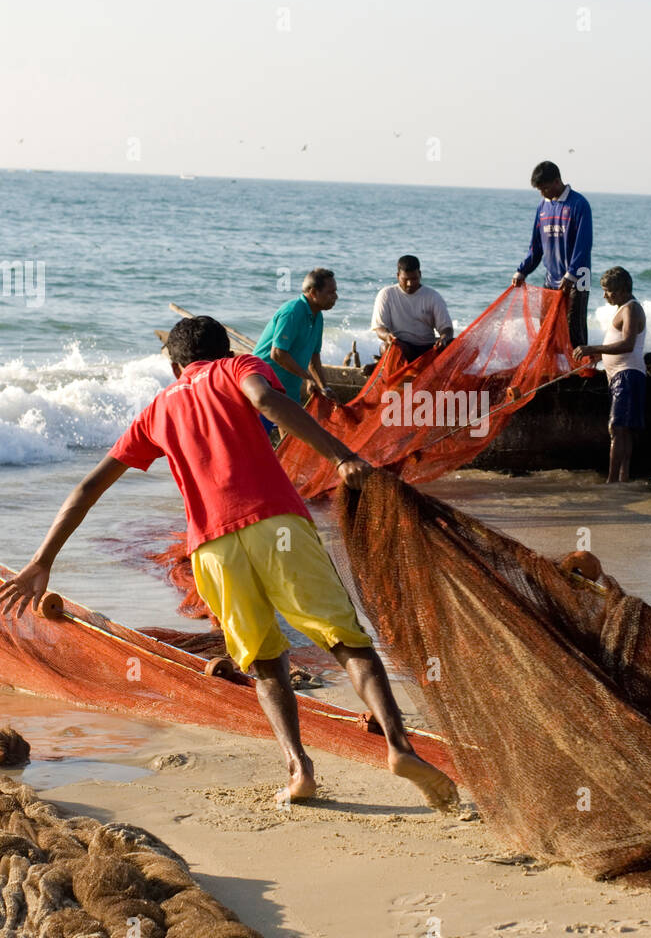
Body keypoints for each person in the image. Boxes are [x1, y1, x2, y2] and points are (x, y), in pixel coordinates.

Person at [0, 316, 458, 812]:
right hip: (275, 525)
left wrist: (41, 561)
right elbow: (266, 400)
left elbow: (88, 488)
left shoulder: (157, 408)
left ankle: (298, 769)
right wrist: (342, 456)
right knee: (346, 640)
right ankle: (398, 746)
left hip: (210, 552)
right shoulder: (238, 365)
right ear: (222, 352)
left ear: (175, 366)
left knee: (264, 663)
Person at [573, 267, 646, 483]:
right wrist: (599, 353)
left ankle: (612, 481)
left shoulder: (631, 309)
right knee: (623, 430)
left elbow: (628, 345)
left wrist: (591, 348)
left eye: (609, 291)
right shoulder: (623, 307)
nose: (605, 295)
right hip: (621, 376)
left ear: (623, 291)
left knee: (617, 428)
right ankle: (622, 479)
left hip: (627, 375)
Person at [511, 160, 593, 347]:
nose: (542, 193)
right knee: (548, 330)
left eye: (545, 188)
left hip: (578, 279)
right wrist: (522, 271)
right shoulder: (542, 207)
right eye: (539, 190)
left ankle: (581, 372)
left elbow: (584, 245)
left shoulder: (579, 205)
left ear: (557, 181)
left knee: (574, 331)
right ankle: (554, 370)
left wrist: (571, 274)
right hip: (551, 279)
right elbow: (536, 246)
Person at [253, 269, 337, 422]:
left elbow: (314, 357)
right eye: (330, 292)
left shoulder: (318, 316)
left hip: (289, 388)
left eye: (335, 292)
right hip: (265, 386)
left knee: (290, 440)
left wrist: (324, 387)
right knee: (260, 438)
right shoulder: (293, 311)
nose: (336, 297)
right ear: (313, 292)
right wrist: (307, 378)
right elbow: (278, 354)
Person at [371, 255, 454, 364]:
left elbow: (447, 329)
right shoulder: (386, 294)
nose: (410, 284)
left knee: (461, 345)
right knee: (387, 347)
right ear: (398, 276)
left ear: (420, 274)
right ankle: (405, 380)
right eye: (405, 280)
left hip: (428, 347)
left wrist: (443, 339)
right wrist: (387, 336)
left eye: (414, 279)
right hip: (402, 346)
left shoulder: (433, 296)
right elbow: (379, 328)